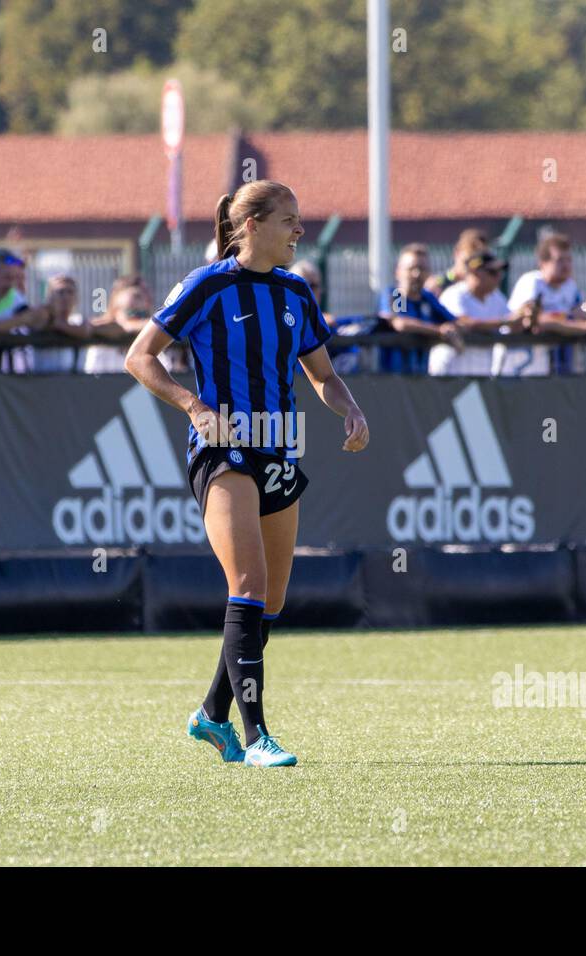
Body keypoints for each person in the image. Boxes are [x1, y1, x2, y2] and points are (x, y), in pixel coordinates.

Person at [125, 180, 369, 768]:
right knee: (249, 586)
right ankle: (258, 734)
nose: (300, 231)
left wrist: (351, 407)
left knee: (272, 600)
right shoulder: (208, 284)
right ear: (252, 224)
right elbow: (139, 356)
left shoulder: (294, 291)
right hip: (223, 452)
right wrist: (193, 407)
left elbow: (322, 376)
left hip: (279, 452)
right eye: (290, 219)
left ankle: (212, 716)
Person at [500, 232, 584, 376]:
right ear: (543, 263)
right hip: (518, 366)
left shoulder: (570, 286)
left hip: (550, 368)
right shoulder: (531, 282)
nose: (566, 266)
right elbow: (532, 321)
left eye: (569, 260)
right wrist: (568, 320)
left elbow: (581, 315)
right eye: (560, 260)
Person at [378, 243, 463, 374]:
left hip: (421, 380)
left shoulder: (427, 298)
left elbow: (454, 321)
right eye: (411, 268)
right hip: (392, 380)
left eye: (422, 269)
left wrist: (452, 331)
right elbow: (401, 323)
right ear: (398, 271)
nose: (416, 274)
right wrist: (439, 331)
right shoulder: (397, 294)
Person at [429, 250, 514, 376]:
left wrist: (524, 316)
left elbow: (512, 322)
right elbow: (462, 323)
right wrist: (504, 322)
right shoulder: (455, 294)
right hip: (450, 374)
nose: (498, 277)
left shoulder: (497, 297)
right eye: (492, 272)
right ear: (475, 272)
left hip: (481, 373)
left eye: (500, 272)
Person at [424, 228, 489, 298]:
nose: (472, 266)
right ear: (457, 253)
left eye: (478, 262)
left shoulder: (487, 288)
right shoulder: (439, 284)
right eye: (467, 261)